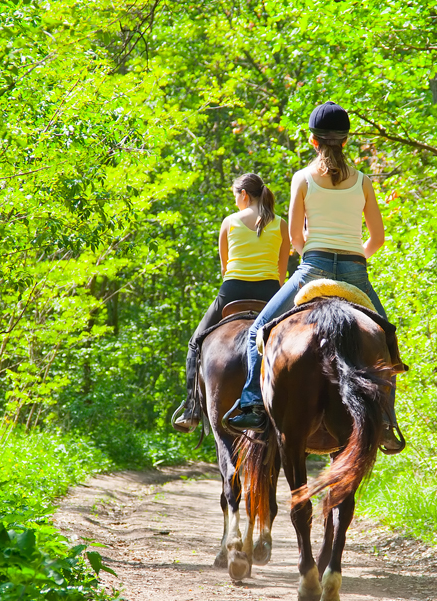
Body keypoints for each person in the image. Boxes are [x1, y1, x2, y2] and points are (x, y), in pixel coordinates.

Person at [225, 101, 404, 453]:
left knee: (257, 333)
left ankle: (253, 405)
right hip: (355, 272)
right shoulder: (363, 181)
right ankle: (385, 421)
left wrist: (316, 253)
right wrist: (356, 258)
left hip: (313, 269)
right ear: (346, 140)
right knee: (386, 344)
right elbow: (378, 238)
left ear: (313, 141)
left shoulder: (302, 179)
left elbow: (295, 238)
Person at [172, 173, 291, 432]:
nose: (235, 201)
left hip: (233, 290)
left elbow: (225, 269)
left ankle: (192, 408)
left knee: (195, 342)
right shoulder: (281, 224)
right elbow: (281, 274)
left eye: (235, 195)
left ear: (244, 195)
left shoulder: (229, 222)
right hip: (270, 293)